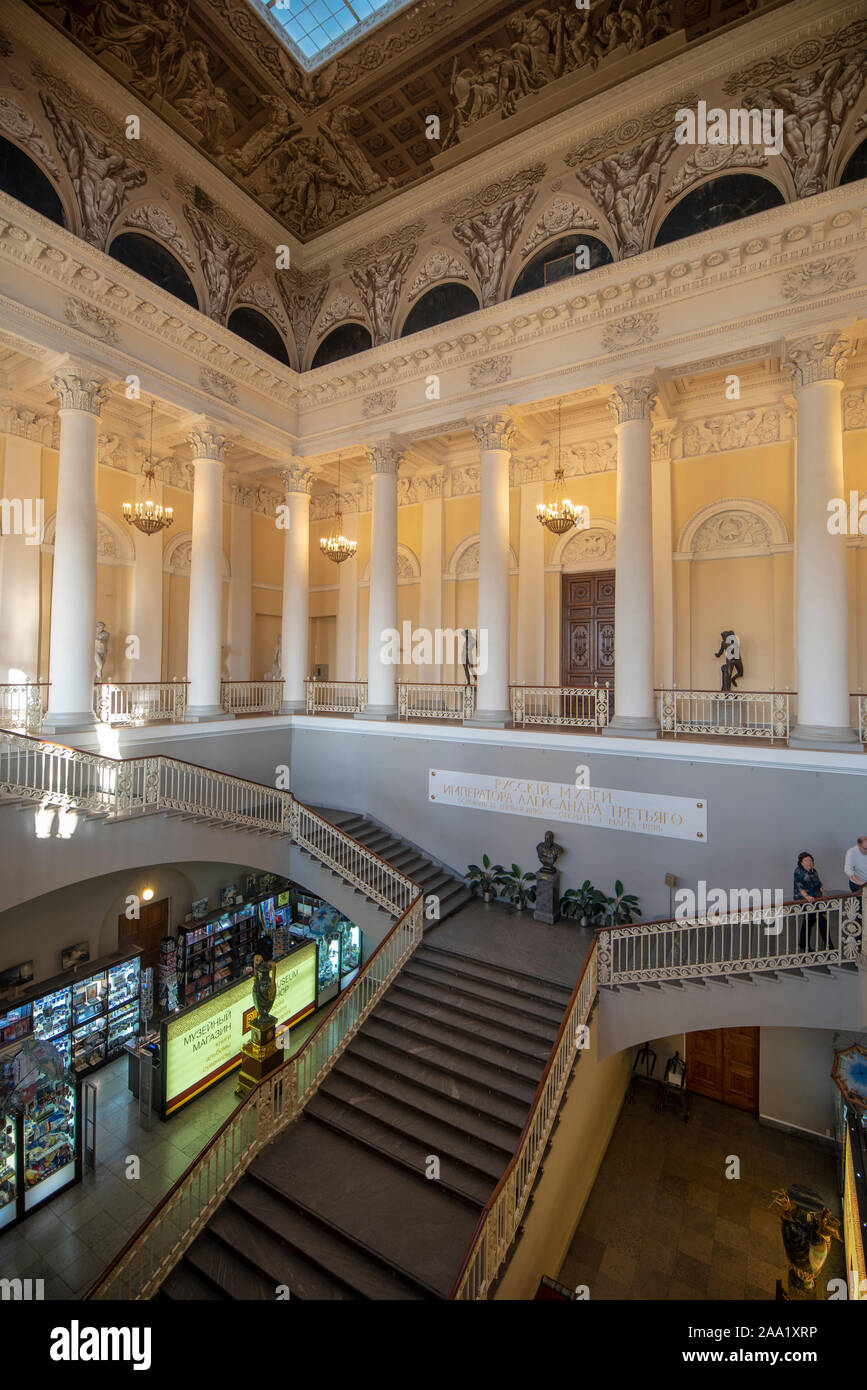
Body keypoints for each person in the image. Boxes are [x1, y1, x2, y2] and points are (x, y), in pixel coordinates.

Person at [793, 851, 827, 951]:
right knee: (816, 921)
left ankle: (804, 945)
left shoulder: (814, 871)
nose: (809, 862)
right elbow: (799, 886)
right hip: (805, 901)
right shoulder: (798, 871)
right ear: (801, 862)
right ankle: (828, 945)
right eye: (806, 860)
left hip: (816, 900)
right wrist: (806, 896)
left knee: (810, 922)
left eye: (810, 860)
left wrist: (821, 888)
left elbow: (818, 883)